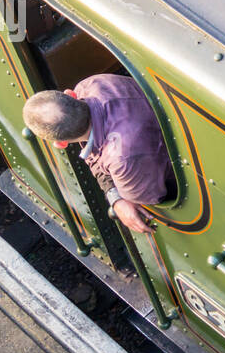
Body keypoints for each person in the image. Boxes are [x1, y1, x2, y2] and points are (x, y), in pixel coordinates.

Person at [21, 74, 173, 233]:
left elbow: (152, 199)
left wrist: (117, 198)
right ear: (70, 94)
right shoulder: (92, 83)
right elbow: (94, 156)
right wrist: (115, 195)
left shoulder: (122, 162)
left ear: (61, 144)